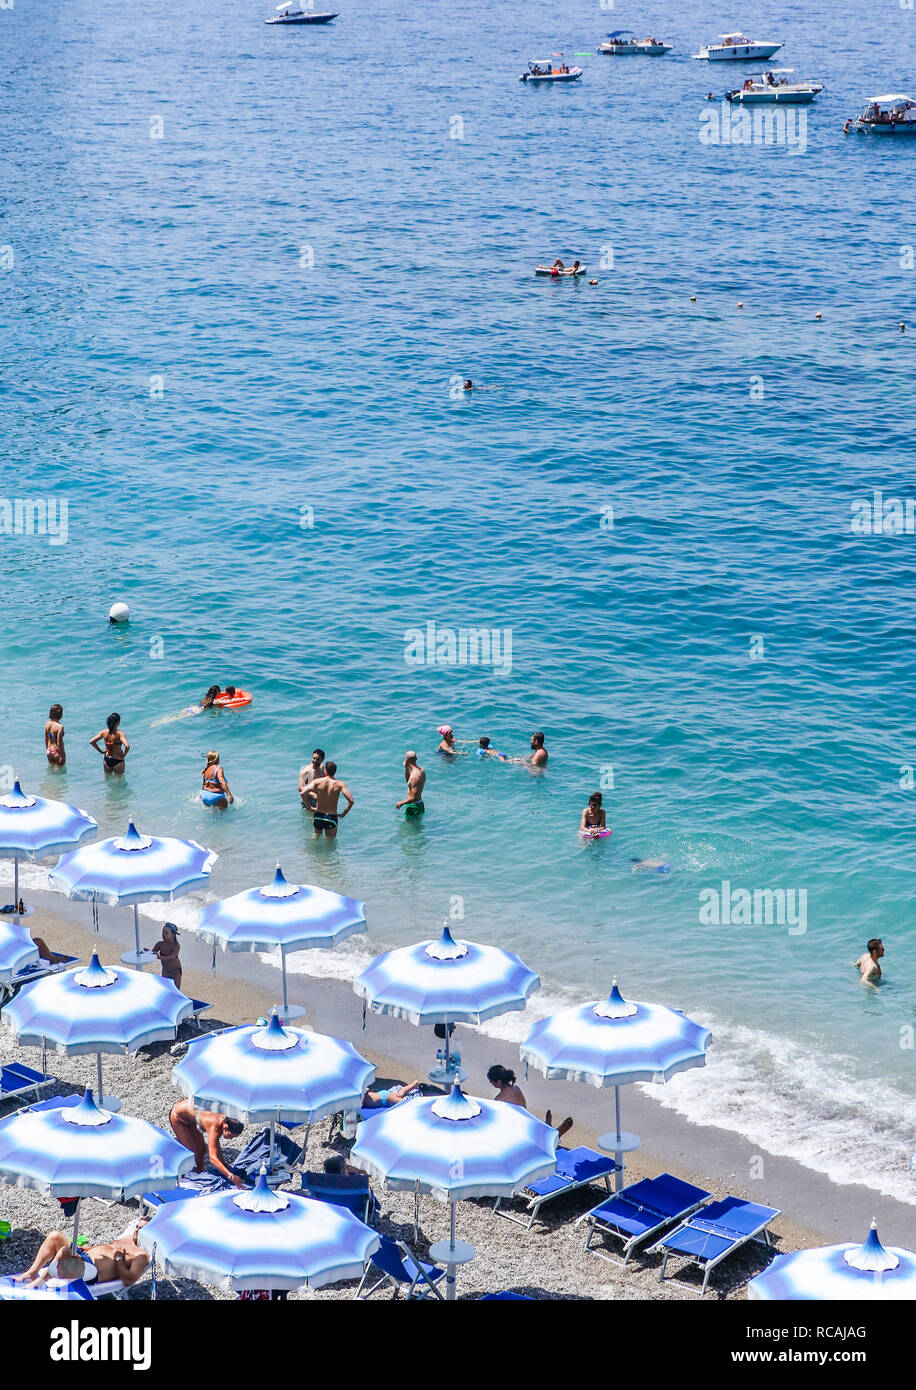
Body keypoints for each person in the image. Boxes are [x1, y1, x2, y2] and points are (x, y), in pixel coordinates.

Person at [14, 1218, 150, 1290]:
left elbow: (129, 1280)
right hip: (84, 1256)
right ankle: (32, 1273)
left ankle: (40, 1281)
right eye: (137, 1226)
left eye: (141, 1228)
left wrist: (119, 1260)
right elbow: (105, 1249)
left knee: (65, 1251)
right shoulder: (125, 1239)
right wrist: (85, 1248)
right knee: (55, 1236)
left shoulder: (141, 1255)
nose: (136, 1229)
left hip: (91, 1272)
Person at [168, 1099, 245, 1185]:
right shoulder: (214, 1126)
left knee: (201, 1151)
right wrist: (231, 1176)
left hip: (191, 1117)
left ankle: (198, 1176)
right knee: (192, 1154)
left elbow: (216, 1148)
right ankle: (182, 1180)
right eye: (232, 1136)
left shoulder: (224, 1122)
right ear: (226, 1127)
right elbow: (213, 1158)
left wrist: (224, 1165)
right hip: (178, 1116)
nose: (231, 1139)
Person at [487, 1064, 572, 1138]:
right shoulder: (516, 1089)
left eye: (491, 1081)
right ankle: (549, 1130)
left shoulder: (499, 1100)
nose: (491, 1082)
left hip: (517, 1129)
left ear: (498, 1082)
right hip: (527, 1122)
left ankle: (552, 1133)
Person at [307, 760, 354, 838]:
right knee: (330, 843)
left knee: (315, 838)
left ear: (325, 770)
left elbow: (303, 792)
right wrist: (343, 813)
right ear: (335, 771)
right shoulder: (340, 784)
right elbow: (351, 801)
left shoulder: (317, 781)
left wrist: (309, 807)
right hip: (331, 817)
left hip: (318, 815)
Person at [151, 922, 181, 990]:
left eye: (166, 933)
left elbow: (172, 957)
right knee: (166, 989)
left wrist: (160, 957)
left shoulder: (176, 945)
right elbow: (153, 951)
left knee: (175, 990)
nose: (163, 935)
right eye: (163, 932)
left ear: (173, 935)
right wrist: (148, 952)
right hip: (165, 971)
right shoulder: (160, 944)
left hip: (175, 971)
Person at [396, 751, 426, 816]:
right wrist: (407, 768)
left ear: (406, 760)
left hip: (413, 807)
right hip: (419, 804)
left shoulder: (415, 776)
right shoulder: (421, 770)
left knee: (408, 823)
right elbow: (409, 781)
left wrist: (401, 802)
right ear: (416, 759)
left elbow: (414, 798)